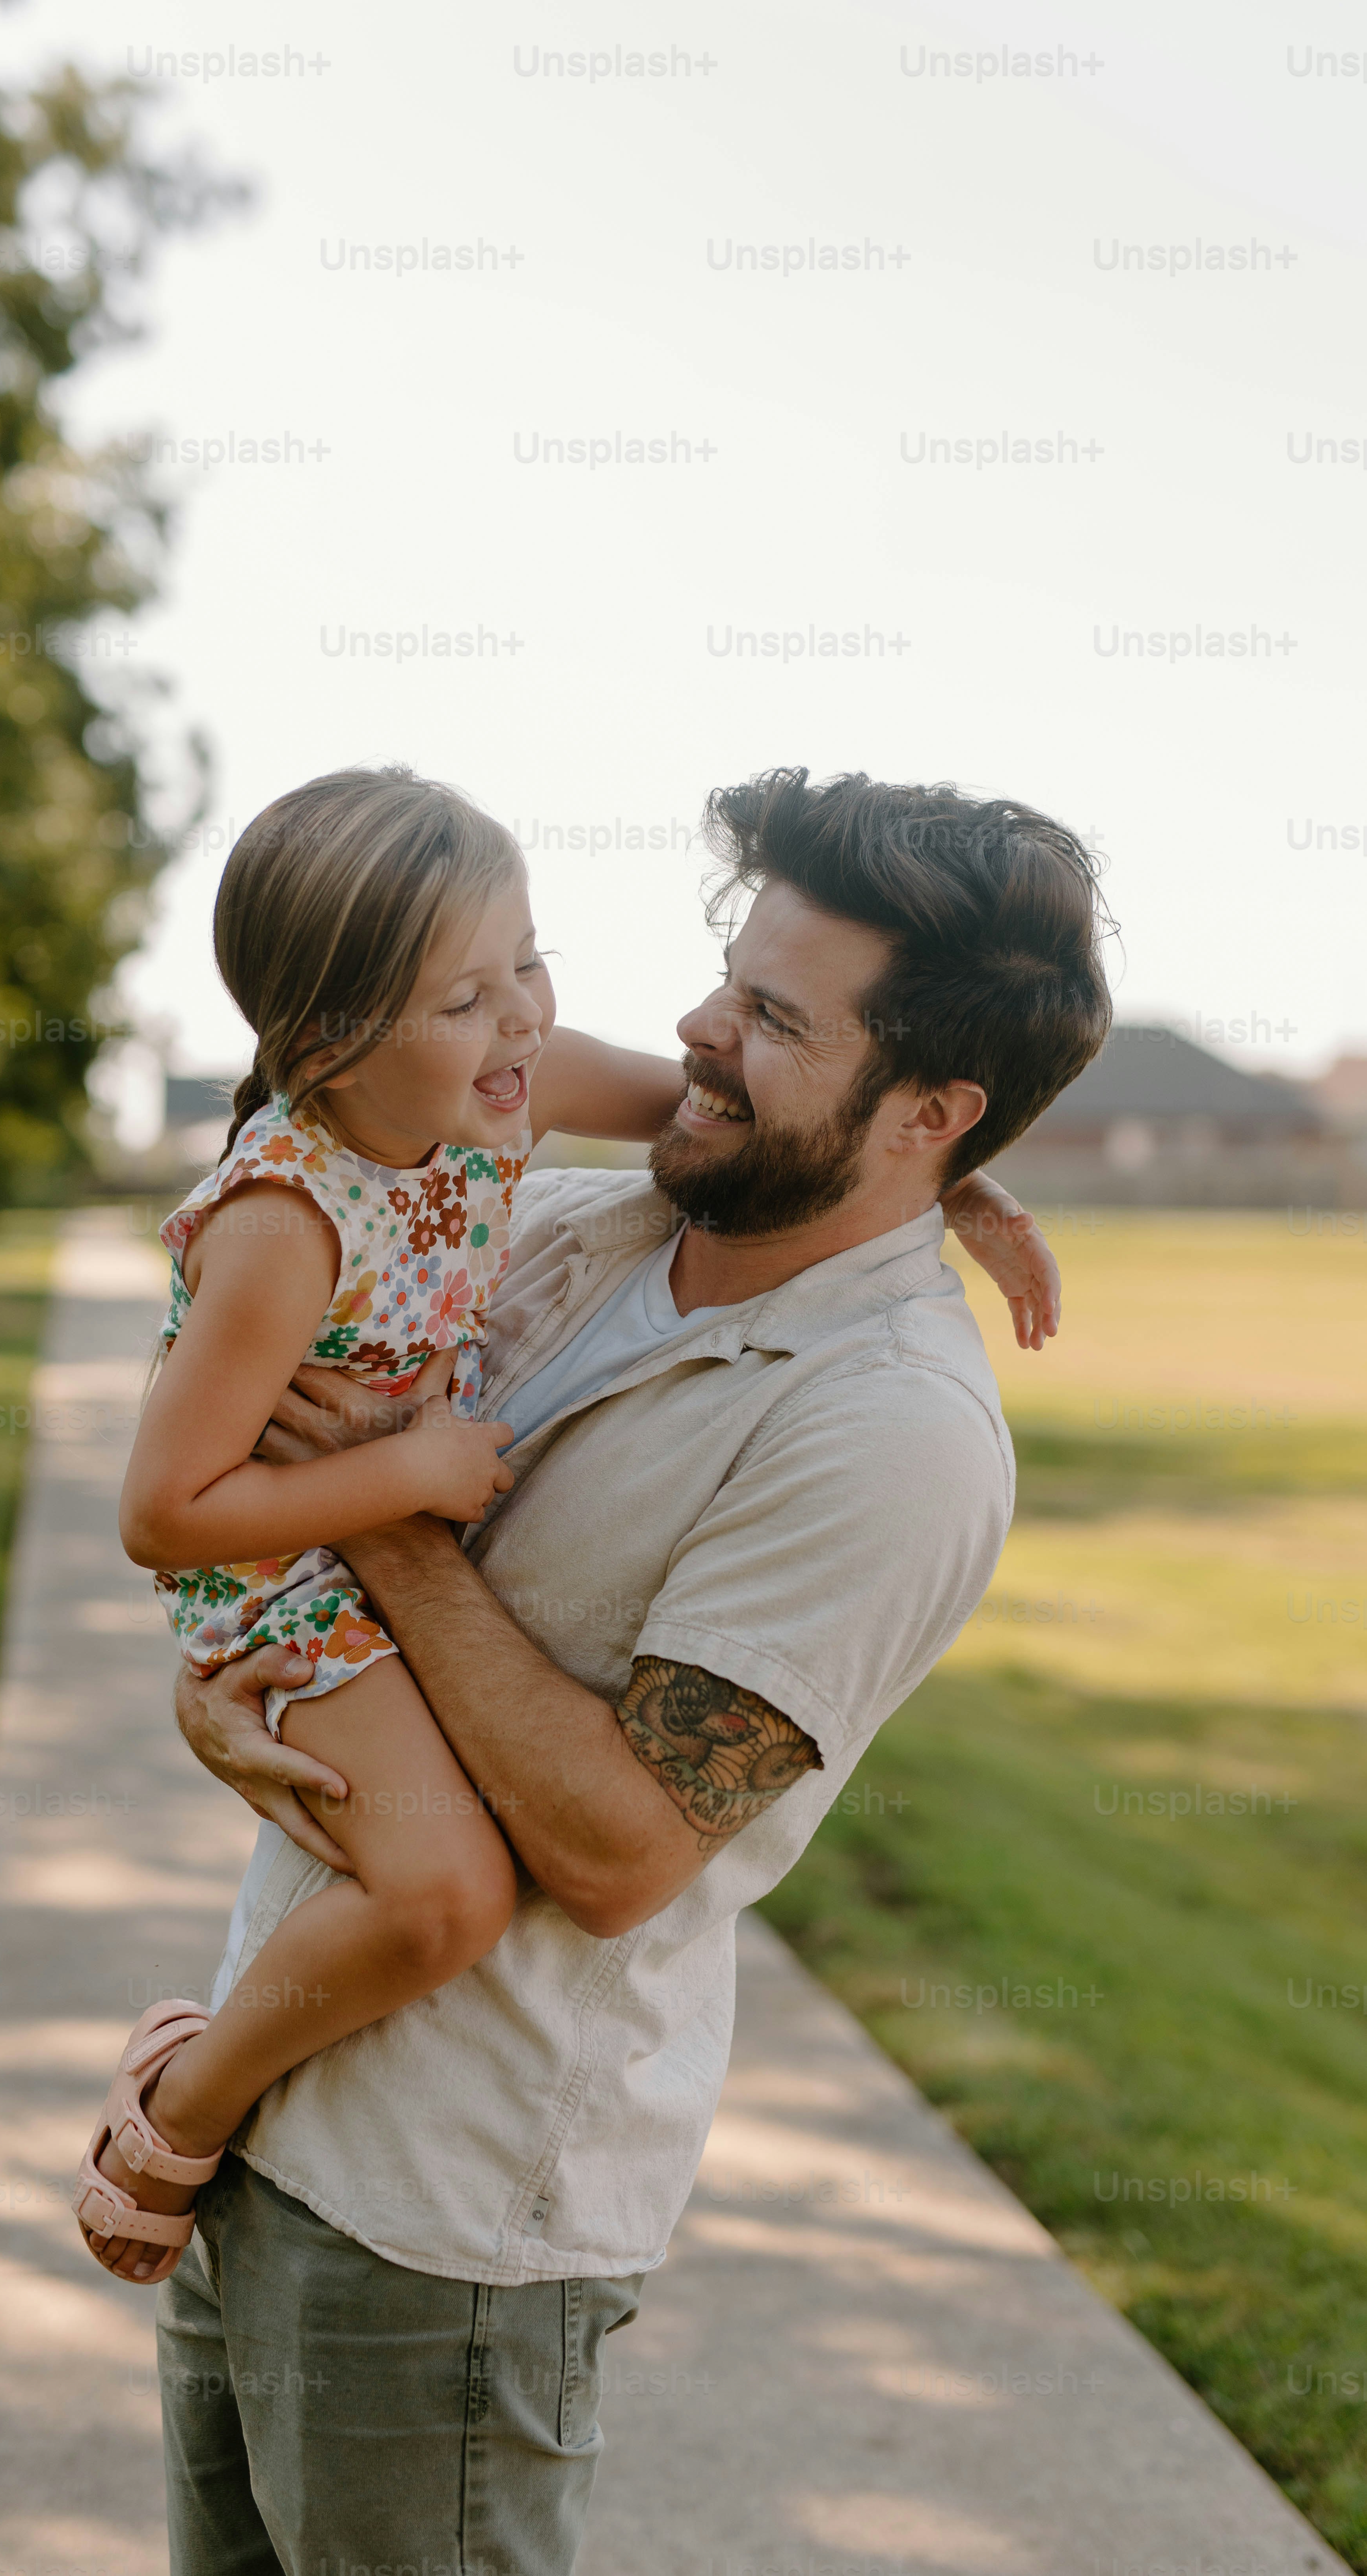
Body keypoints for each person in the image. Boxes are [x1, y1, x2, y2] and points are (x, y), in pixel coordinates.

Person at [72, 765, 1050, 2288]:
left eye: (774, 1017)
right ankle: (196, 2090)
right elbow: (186, 1501)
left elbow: (616, 1855)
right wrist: (229, 1677)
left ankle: (175, 2102)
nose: (689, 1031)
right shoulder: (509, 1218)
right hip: (277, 2151)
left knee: (448, 1894)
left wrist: (947, 1184)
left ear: (929, 1110)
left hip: (448, 2230)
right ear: (332, 1040)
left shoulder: (895, 1427)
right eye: (469, 995)